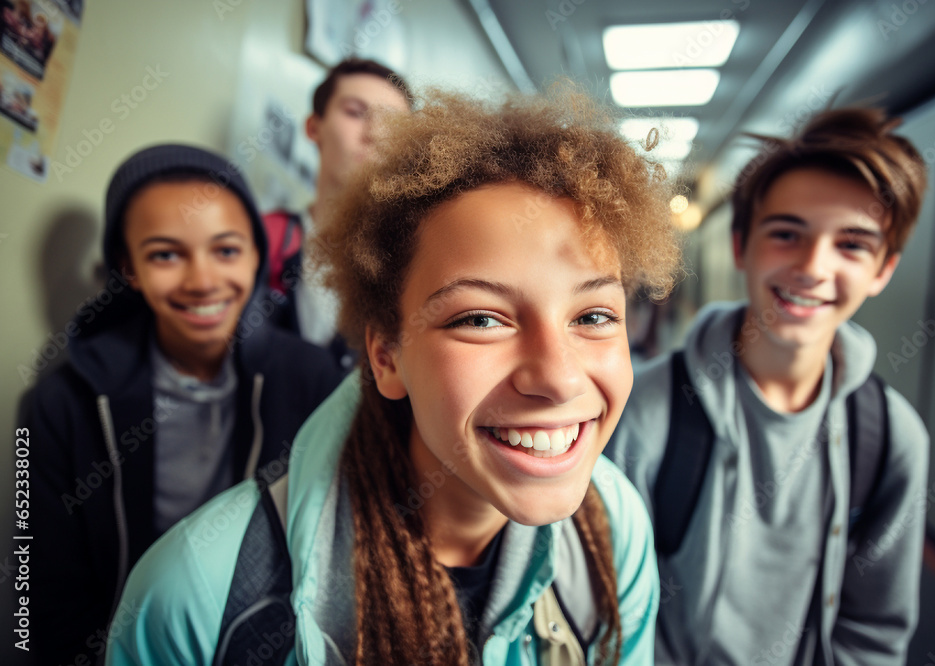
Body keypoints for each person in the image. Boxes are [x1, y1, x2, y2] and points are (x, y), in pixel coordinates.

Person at [104, 86, 683, 665]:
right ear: (385, 356)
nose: (558, 378)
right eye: (481, 319)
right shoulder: (197, 596)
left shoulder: (612, 524)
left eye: (593, 315)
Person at [605, 107, 930, 665]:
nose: (812, 267)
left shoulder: (889, 436)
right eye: (787, 234)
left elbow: (874, 630)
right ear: (741, 246)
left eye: (852, 244)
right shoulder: (645, 408)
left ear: (883, 269)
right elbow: (608, 602)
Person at [22, 144, 339, 665]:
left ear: (258, 255)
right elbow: (39, 591)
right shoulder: (63, 402)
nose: (202, 281)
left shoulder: (312, 380)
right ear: (128, 268)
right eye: (166, 254)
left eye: (227, 250)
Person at [266, 57, 411, 382]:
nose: (374, 134)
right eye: (356, 113)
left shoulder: (416, 260)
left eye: (393, 123)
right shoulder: (259, 239)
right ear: (313, 127)